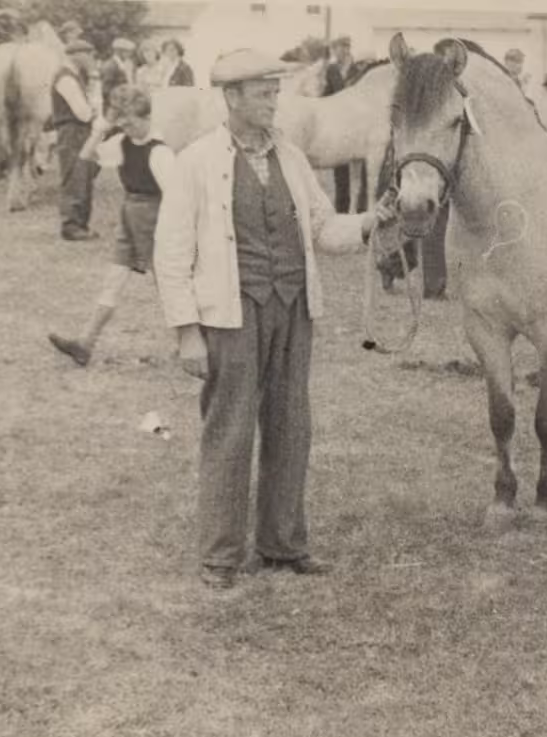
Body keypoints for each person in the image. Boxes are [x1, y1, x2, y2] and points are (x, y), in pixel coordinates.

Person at [153, 49, 397, 589]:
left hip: (292, 308)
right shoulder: (196, 161)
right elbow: (170, 254)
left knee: (291, 427)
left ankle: (282, 544)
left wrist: (368, 224)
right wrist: (188, 332)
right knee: (230, 430)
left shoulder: (290, 156)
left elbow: (321, 227)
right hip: (230, 314)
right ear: (232, 98)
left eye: (274, 91)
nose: (273, 101)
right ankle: (220, 556)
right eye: (262, 92)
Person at [49, 86, 174, 367]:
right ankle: (85, 343)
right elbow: (85, 157)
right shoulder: (122, 143)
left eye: (132, 120)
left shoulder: (160, 152)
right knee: (113, 279)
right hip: (129, 216)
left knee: (169, 285)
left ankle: (195, 345)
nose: (127, 126)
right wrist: (100, 128)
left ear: (147, 116)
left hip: (156, 219)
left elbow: (176, 200)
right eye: (122, 121)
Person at [53, 39, 102, 241]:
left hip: (78, 131)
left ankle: (80, 224)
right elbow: (83, 113)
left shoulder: (73, 76)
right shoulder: (66, 78)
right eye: (88, 55)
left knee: (83, 176)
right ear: (77, 55)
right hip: (72, 131)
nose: (91, 59)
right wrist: (93, 103)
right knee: (75, 176)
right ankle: (72, 225)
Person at [325, 35, 366, 213]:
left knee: (360, 171)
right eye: (337, 48)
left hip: (356, 125)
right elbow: (326, 94)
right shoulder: (331, 70)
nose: (341, 51)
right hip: (338, 126)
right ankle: (341, 210)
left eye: (344, 47)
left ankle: (360, 210)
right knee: (340, 173)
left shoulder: (358, 70)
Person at [101, 38, 138, 107]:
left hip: (126, 103)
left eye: (130, 52)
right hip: (114, 105)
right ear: (119, 52)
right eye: (127, 52)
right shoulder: (110, 66)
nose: (129, 54)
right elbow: (106, 90)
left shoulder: (127, 64)